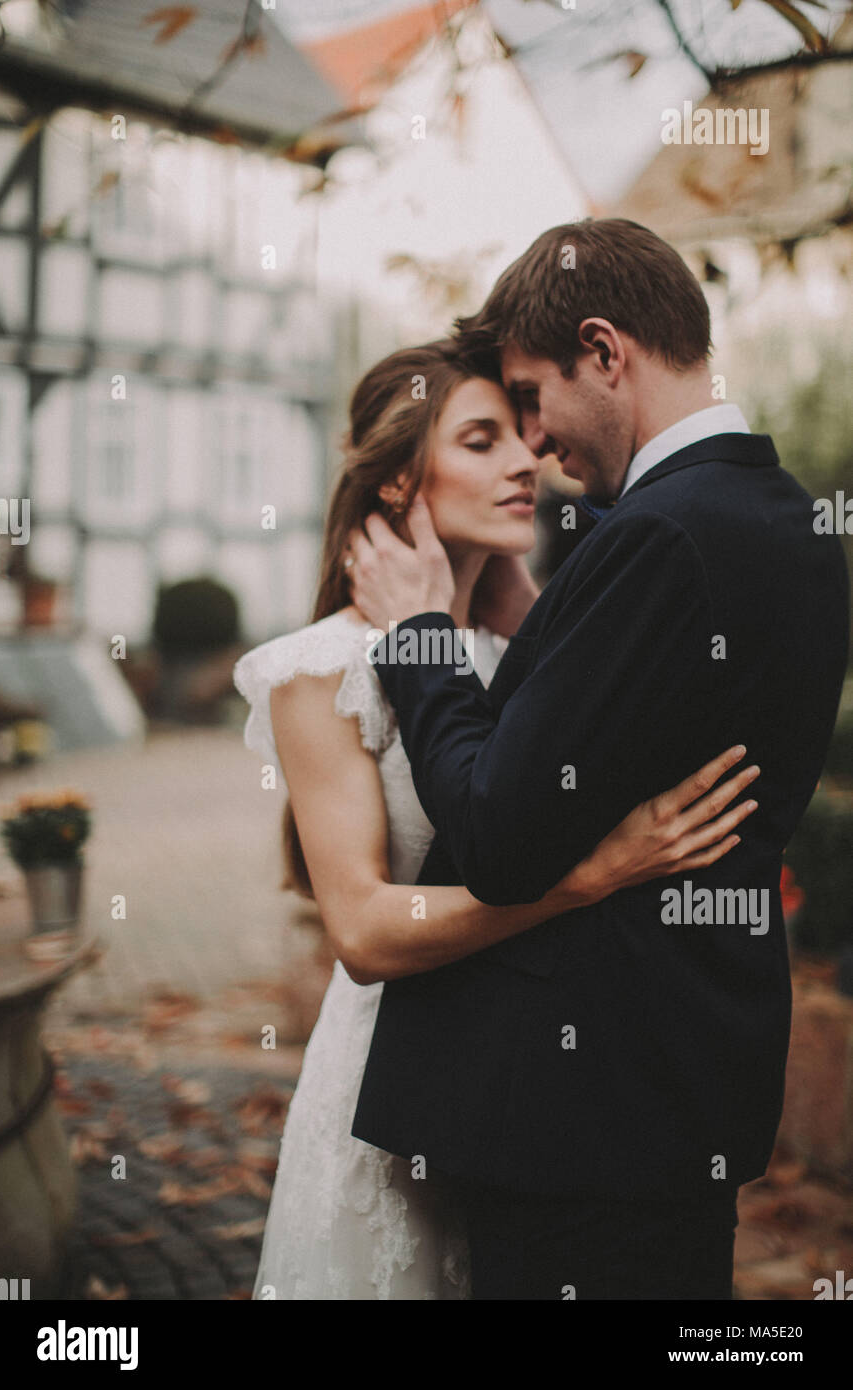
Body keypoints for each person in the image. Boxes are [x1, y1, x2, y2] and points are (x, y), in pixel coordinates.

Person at [347, 219, 850, 1300]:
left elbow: (495, 834)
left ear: (604, 351)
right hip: (681, 1078)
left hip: (582, 1110)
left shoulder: (659, 534)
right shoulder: (796, 523)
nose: (533, 446)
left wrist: (419, 638)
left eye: (531, 397)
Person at [234, 338, 759, 1299]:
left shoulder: (522, 644)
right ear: (399, 482)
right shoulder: (319, 669)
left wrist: (513, 614)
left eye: (521, 434)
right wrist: (588, 878)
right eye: (482, 441)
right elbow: (359, 930)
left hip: (517, 1107)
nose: (525, 459)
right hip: (384, 1094)